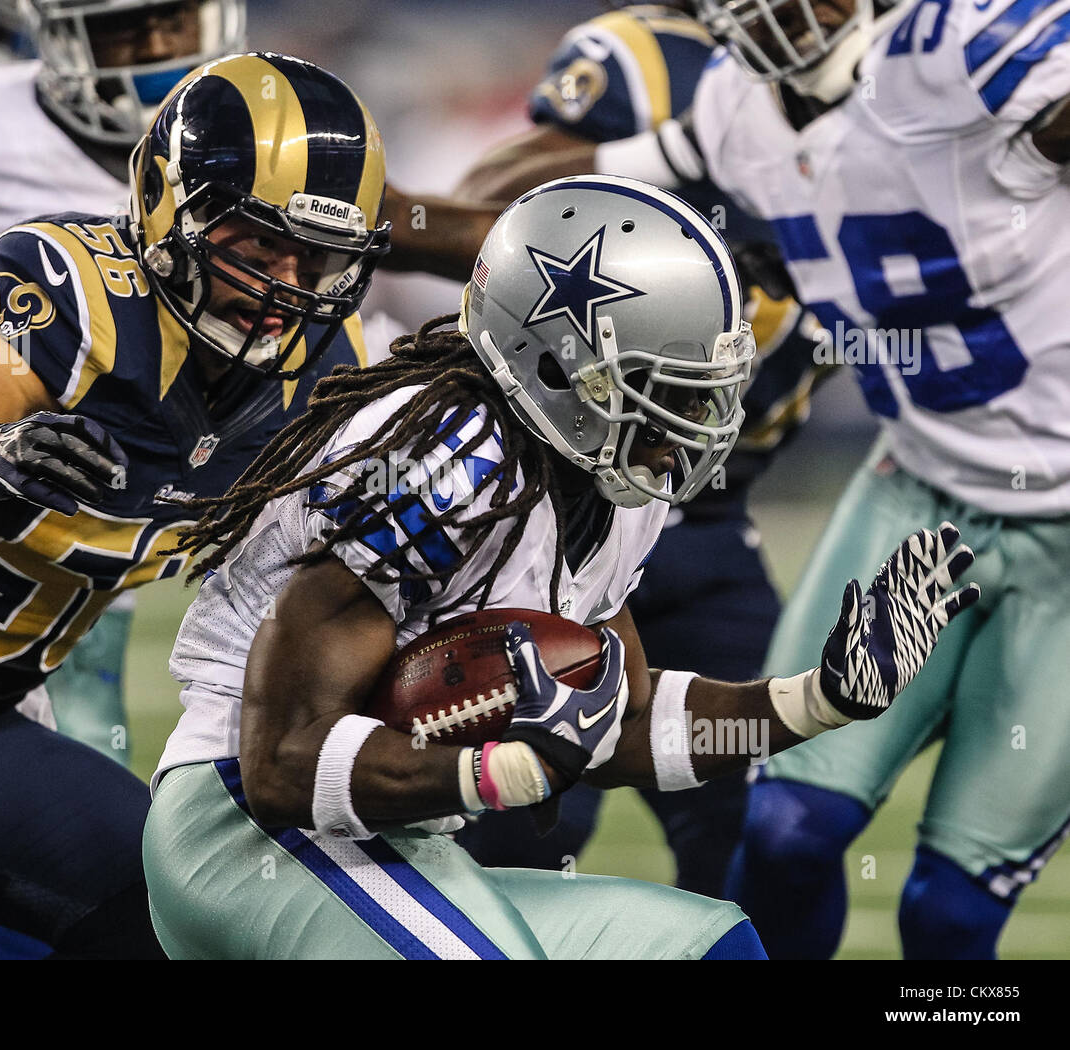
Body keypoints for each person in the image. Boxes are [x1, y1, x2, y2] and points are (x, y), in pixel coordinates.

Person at [142, 174, 978, 959]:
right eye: (661, 385)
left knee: (710, 946)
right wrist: (506, 769)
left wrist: (816, 701)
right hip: (248, 834)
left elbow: (622, 722)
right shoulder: (444, 461)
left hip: (396, 841)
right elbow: (281, 764)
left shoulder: (617, 482)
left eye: (701, 393)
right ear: (555, 359)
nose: (686, 421)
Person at [0, 53, 390, 958]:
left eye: (321, 256)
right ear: (170, 208)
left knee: (176, 917)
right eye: (259, 244)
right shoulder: (75, 290)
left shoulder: (327, 371)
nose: (288, 285)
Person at [641, 0, 1070, 958]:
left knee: (950, 912)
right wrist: (389, 211)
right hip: (915, 487)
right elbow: (572, 187)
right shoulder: (736, 104)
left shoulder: (965, 50)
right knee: (786, 829)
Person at [380, 2, 832, 896]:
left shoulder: (924, 114)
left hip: (705, 521)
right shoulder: (663, 65)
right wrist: (670, 159)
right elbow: (503, 199)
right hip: (562, 503)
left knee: (773, 829)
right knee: (522, 826)